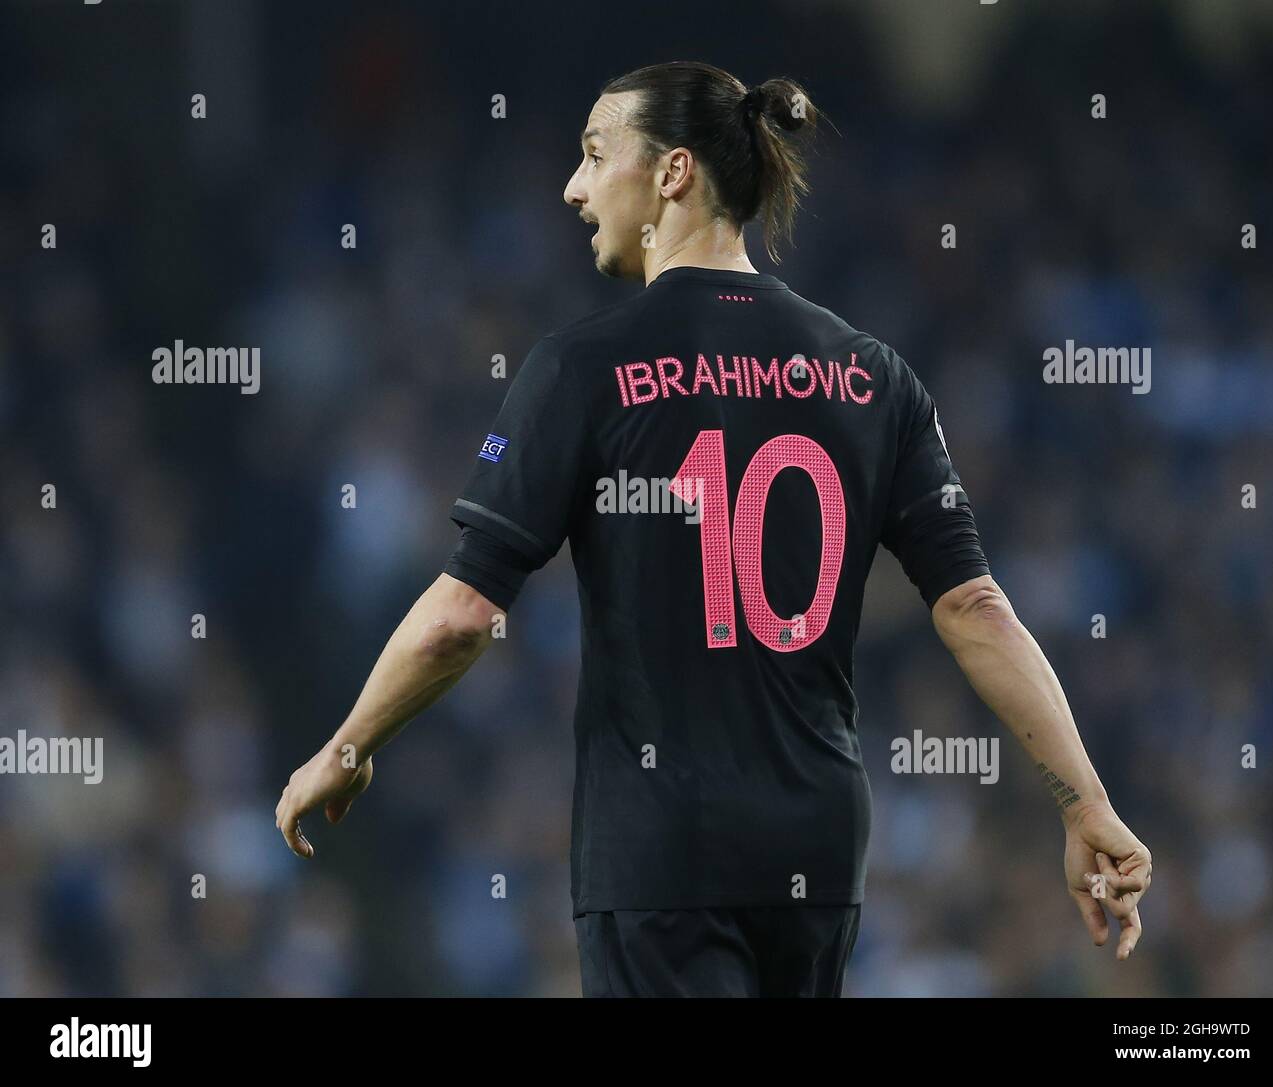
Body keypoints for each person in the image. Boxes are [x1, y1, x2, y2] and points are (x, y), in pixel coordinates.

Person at [276, 61, 1152, 998]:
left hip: (661, 849)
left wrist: (347, 745)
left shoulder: (583, 367)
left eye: (594, 153)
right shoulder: (873, 375)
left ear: (672, 172)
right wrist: (1082, 800)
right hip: (818, 847)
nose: (573, 187)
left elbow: (460, 615)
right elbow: (977, 606)